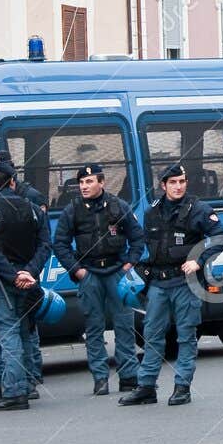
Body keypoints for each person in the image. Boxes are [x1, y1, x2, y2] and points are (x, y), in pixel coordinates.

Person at [120, 163, 223, 408]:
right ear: (163, 186)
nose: (178, 186)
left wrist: (199, 261)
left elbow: (220, 238)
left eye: (182, 182)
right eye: (173, 182)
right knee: (152, 335)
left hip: (185, 283)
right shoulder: (152, 212)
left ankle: (182, 387)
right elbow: (145, 245)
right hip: (158, 283)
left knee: (186, 336)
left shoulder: (198, 209)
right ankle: (146, 387)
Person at [53, 161, 146, 395]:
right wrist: (77, 270)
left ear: (101, 183)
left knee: (124, 326)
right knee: (93, 328)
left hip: (116, 273)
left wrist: (128, 264)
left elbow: (137, 238)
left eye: (89, 181)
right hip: (90, 274)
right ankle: (100, 379)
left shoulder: (118, 206)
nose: (84, 186)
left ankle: (129, 377)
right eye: (81, 182)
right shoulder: (72, 209)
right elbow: (60, 243)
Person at [0, 159, 51, 412]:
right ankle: (27, 384)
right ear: (13, 182)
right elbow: (45, 245)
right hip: (28, 281)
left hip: (0, 283)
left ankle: (15, 392)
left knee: (8, 334)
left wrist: (12, 274)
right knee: (26, 331)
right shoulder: (34, 210)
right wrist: (28, 272)